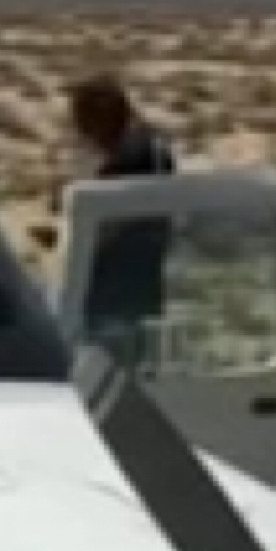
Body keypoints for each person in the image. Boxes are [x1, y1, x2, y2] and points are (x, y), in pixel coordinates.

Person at [65, 74, 174, 354]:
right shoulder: (154, 150)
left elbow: (108, 230)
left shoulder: (128, 162)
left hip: (116, 297)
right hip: (145, 285)